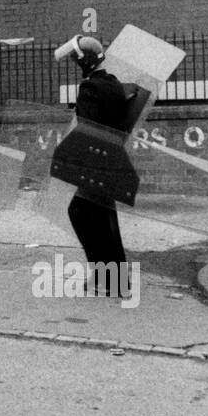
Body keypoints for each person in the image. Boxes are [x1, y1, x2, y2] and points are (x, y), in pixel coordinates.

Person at [56, 36, 130, 286]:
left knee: (80, 211)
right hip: (111, 159)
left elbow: (87, 128)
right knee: (103, 215)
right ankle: (113, 276)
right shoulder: (113, 83)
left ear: (83, 62)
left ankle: (107, 275)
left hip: (94, 162)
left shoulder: (89, 88)